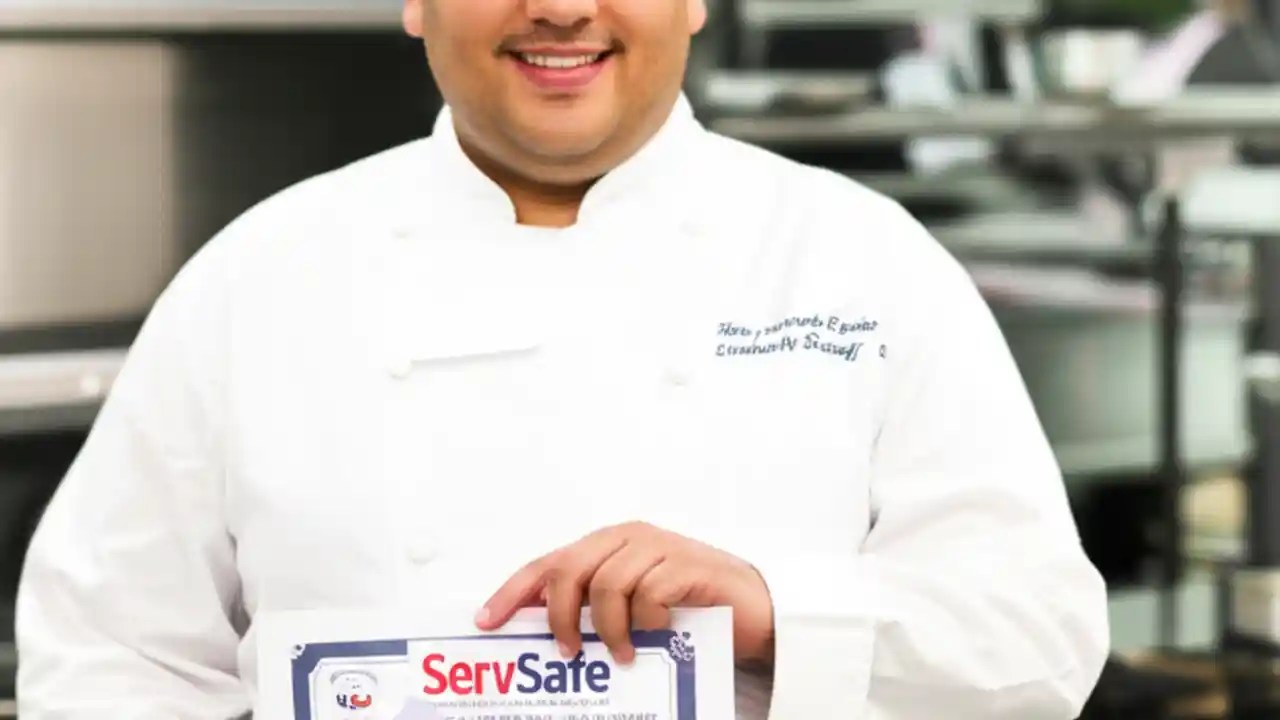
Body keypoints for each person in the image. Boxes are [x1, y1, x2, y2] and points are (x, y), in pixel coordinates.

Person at [15, 0, 1110, 717]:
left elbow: (1039, 644)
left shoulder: (857, 259)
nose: (560, 8)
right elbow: (108, 657)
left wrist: (775, 607)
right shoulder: (257, 275)